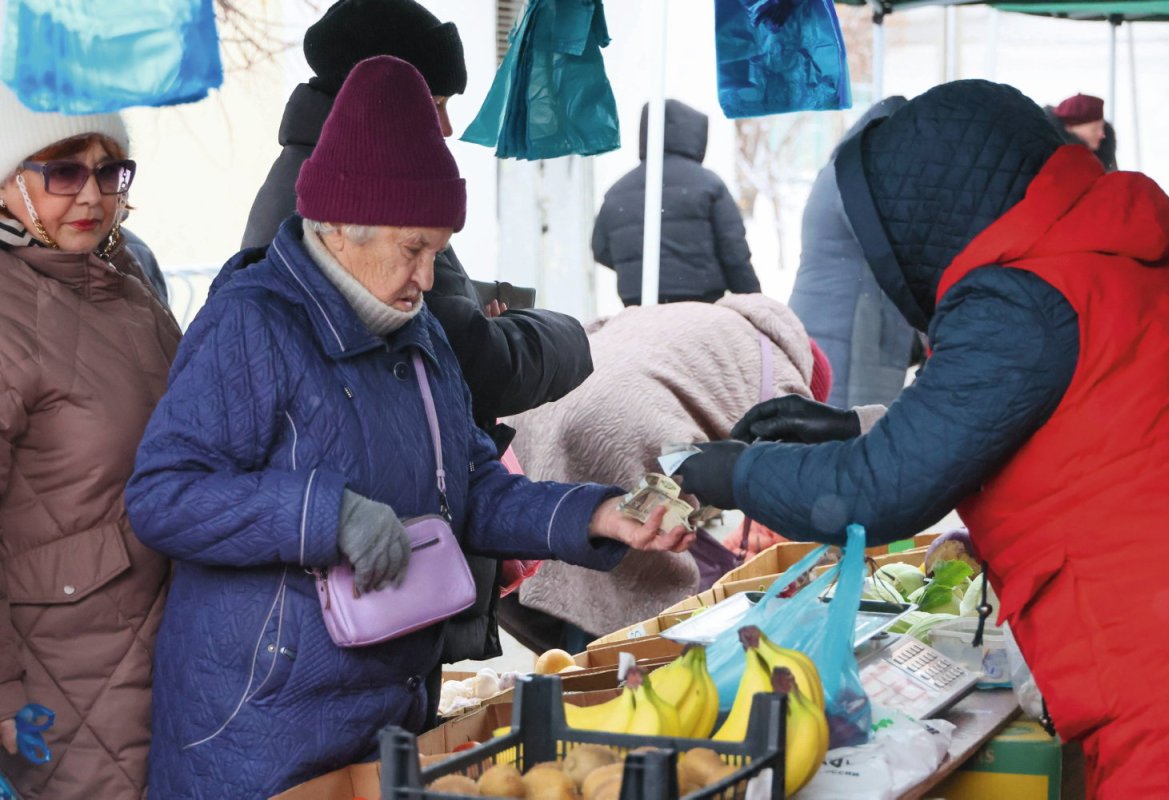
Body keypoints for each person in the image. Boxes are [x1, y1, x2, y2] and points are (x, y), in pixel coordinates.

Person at [124, 57, 693, 799]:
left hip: (392, 708)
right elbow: (164, 496)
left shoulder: (417, 334)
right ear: (341, 229)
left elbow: (474, 490)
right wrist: (326, 515)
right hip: (261, 728)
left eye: (437, 250)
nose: (427, 278)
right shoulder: (250, 323)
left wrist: (599, 512)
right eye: (413, 249)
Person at [676, 80, 1169, 798]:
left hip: (1165, 670)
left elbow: (880, 490)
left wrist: (734, 473)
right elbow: (1038, 418)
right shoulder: (1105, 261)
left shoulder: (1022, 300)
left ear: (929, 218)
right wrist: (851, 423)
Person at [240, 0, 595, 668]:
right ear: (373, 103)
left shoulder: (329, 192)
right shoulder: (321, 226)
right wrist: (569, 337)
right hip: (355, 596)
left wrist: (594, 517)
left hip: (380, 570)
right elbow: (470, 356)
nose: (449, 125)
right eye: (434, 101)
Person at [0, 86, 180, 800]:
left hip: (167, 642)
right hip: (58, 674)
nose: (92, 194)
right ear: (9, 179)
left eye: (110, 171)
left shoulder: (127, 283)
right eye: (63, 170)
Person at [499, 294, 831, 652]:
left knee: (565, 564)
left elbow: (592, 329)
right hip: (618, 427)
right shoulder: (785, 382)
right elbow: (778, 481)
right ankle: (611, 683)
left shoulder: (686, 313)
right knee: (625, 598)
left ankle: (573, 679)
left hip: (528, 412)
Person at [789, 95, 922, 409]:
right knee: (842, 428)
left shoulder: (844, 168)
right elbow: (897, 246)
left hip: (832, 318)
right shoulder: (859, 178)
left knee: (830, 425)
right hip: (843, 327)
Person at [592, 99, 762, 306]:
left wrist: (635, 269)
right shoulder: (709, 184)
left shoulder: (616, 192)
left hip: (638, 309)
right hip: (699, 305)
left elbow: (600, 249)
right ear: (695, 136)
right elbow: (734, 252)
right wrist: (754, 300)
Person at [1045, 92, 1117, 171]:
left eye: (1102, 127)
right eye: (1094, 129)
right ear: (1070, 128)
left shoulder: (1105, 156)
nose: (1102, 135)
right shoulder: (1049, 163)